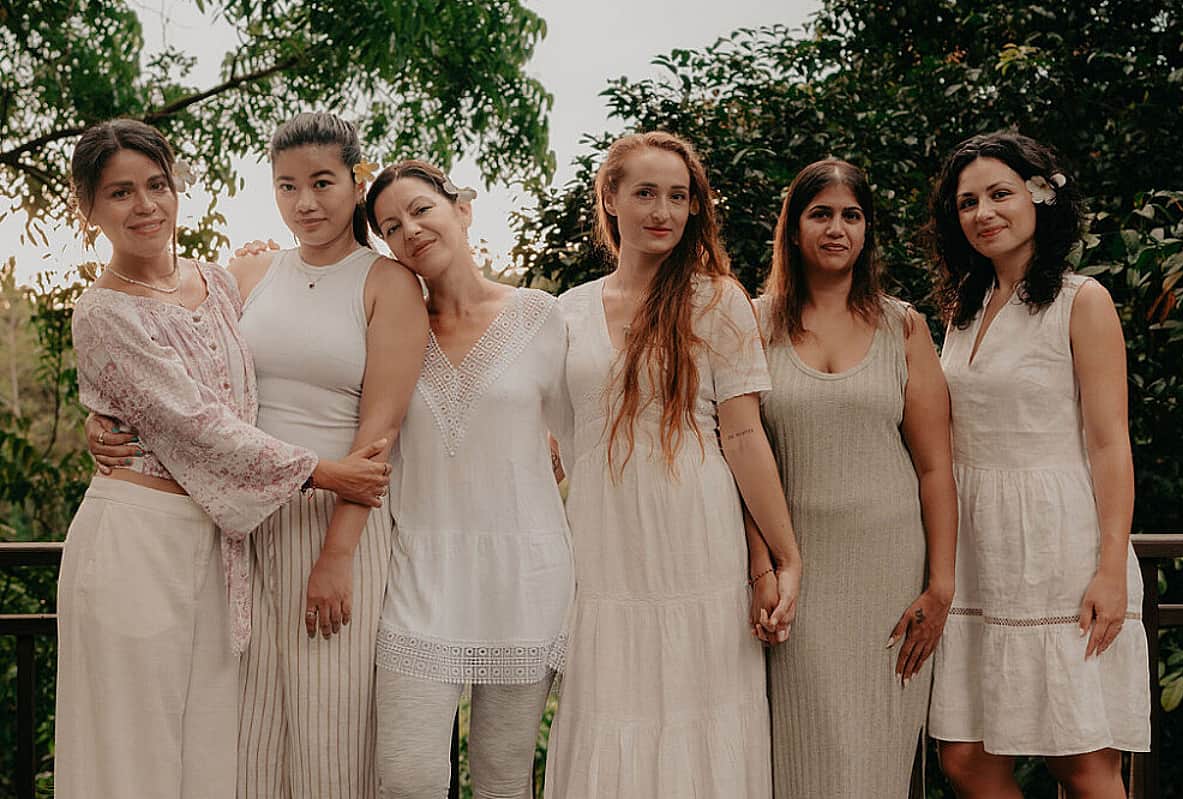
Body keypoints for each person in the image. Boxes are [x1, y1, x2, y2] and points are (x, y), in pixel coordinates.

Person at [88, 112, 428, 798]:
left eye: (324, 183)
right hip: (239, 534)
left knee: (330, 741)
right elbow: (189, 388)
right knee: (247, 749)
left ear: (356, 183)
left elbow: (378, 437)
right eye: (287, 186)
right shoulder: (246, 273)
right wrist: (100, 421)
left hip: (335, 526)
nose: (306, 203)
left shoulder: (387, 284)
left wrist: (337, 556)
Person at [544, 131, 802, 798]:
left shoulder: (717, 300)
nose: (662, 210)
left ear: (693, 210)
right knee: (611, 704)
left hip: (697, 535)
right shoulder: (563, 313)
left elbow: (744, 436)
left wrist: (780, 555)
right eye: (646, 193)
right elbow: (555, 447)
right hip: (602, 545)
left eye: (678, 197)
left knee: (700, 710)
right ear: (610, 198)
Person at [927, 131, 1150, 798]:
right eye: (967, 202)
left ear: (1040, 196)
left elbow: (1109, 442)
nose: (983, 212)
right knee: (966, 757)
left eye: (1000, 193)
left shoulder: (1082, 301)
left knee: (1081, 762)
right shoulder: (963, 308)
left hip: (1058, 543)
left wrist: (1111, 567)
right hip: (977, 550)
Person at [362, 160, 574, 798]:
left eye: (421, 209)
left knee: (504, 779)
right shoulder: (388, 327)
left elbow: (582, 434)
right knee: (405, 780)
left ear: (463, 209)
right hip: (420, 577)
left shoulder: (541, 315)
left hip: (526, 580)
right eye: (391, 227)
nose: (411, 230)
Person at [750, 158, 957, 798]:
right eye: (821, 214)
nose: (837, 228)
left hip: (889, 575)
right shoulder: (752, 324)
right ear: (793, 228)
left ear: (867, 230)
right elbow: (737, 462)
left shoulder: (904, 325)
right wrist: (763, 569)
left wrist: (941, 586)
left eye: (852, 215)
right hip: (796, 574)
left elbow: (934, 465)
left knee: (874, 762)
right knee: (801, 756)